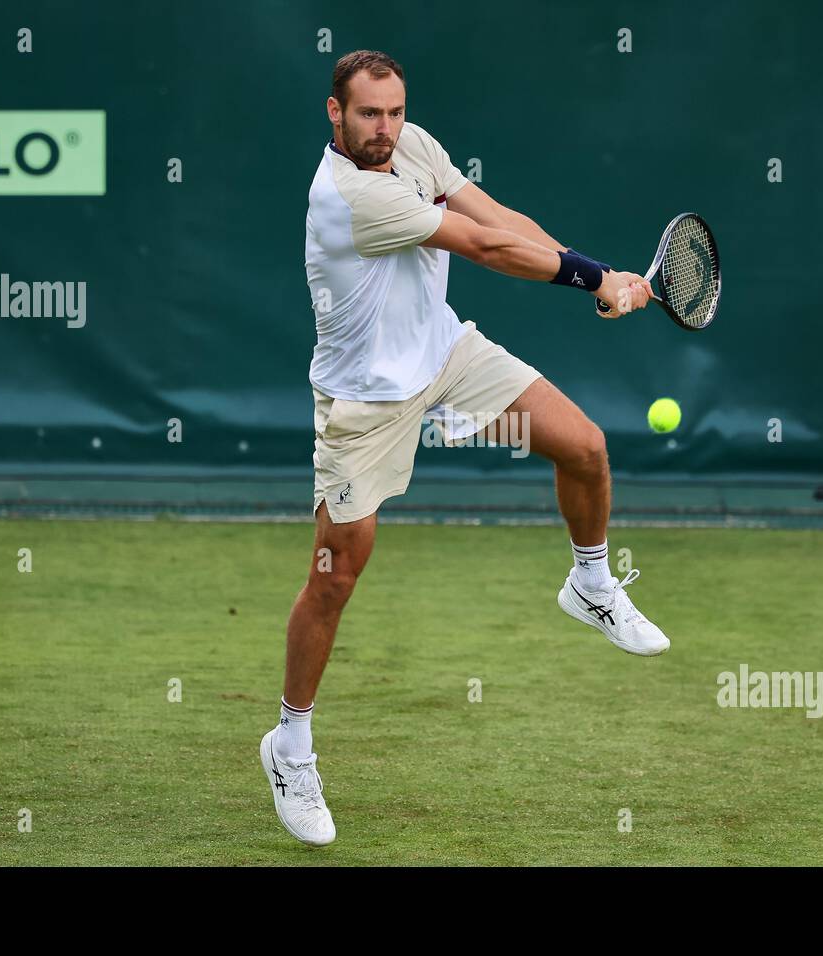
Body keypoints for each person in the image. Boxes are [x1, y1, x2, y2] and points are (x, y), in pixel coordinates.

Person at [260, 49, 671, 847]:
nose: (385, 128)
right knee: (336, 576)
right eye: (369, 114)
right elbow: (485, 252)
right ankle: (291, 745)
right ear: (334, 114)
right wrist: (594, 284)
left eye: (395, 111)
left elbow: (497, 219)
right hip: (367, 404)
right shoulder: (346, 195)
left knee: (583, 446)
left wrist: (604, 271)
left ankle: (590, 584)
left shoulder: (412, 146)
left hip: (446, 359)